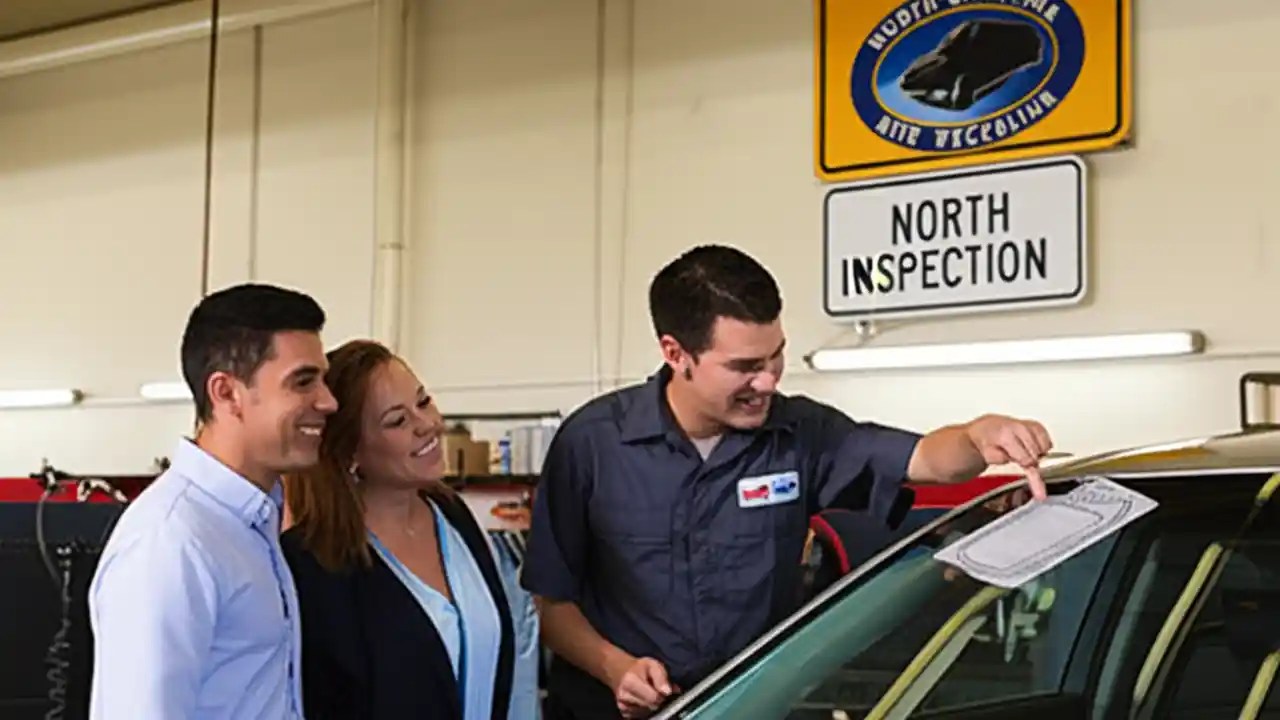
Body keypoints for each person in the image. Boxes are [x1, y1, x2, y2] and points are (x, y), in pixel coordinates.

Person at [521, 244, 1055, 719]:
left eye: (776, 356)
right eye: (745, 366)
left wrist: (976, 436)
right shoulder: (592, 444)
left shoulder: (803, 433)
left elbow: (924, 459)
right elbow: (551, 604)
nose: (769, 380)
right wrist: (615, 668)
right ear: (675, 353)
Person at [88, 283, 337, 719]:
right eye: (303, 382)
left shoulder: (251, 524)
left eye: (323, 379)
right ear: (226, 393)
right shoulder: (171, 541)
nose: (328, 401)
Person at [280, 339, 541, 719]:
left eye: (423, 402)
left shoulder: (452, 514)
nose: (427, 425)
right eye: (397, 421)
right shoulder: (315, 564)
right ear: (352, 452)